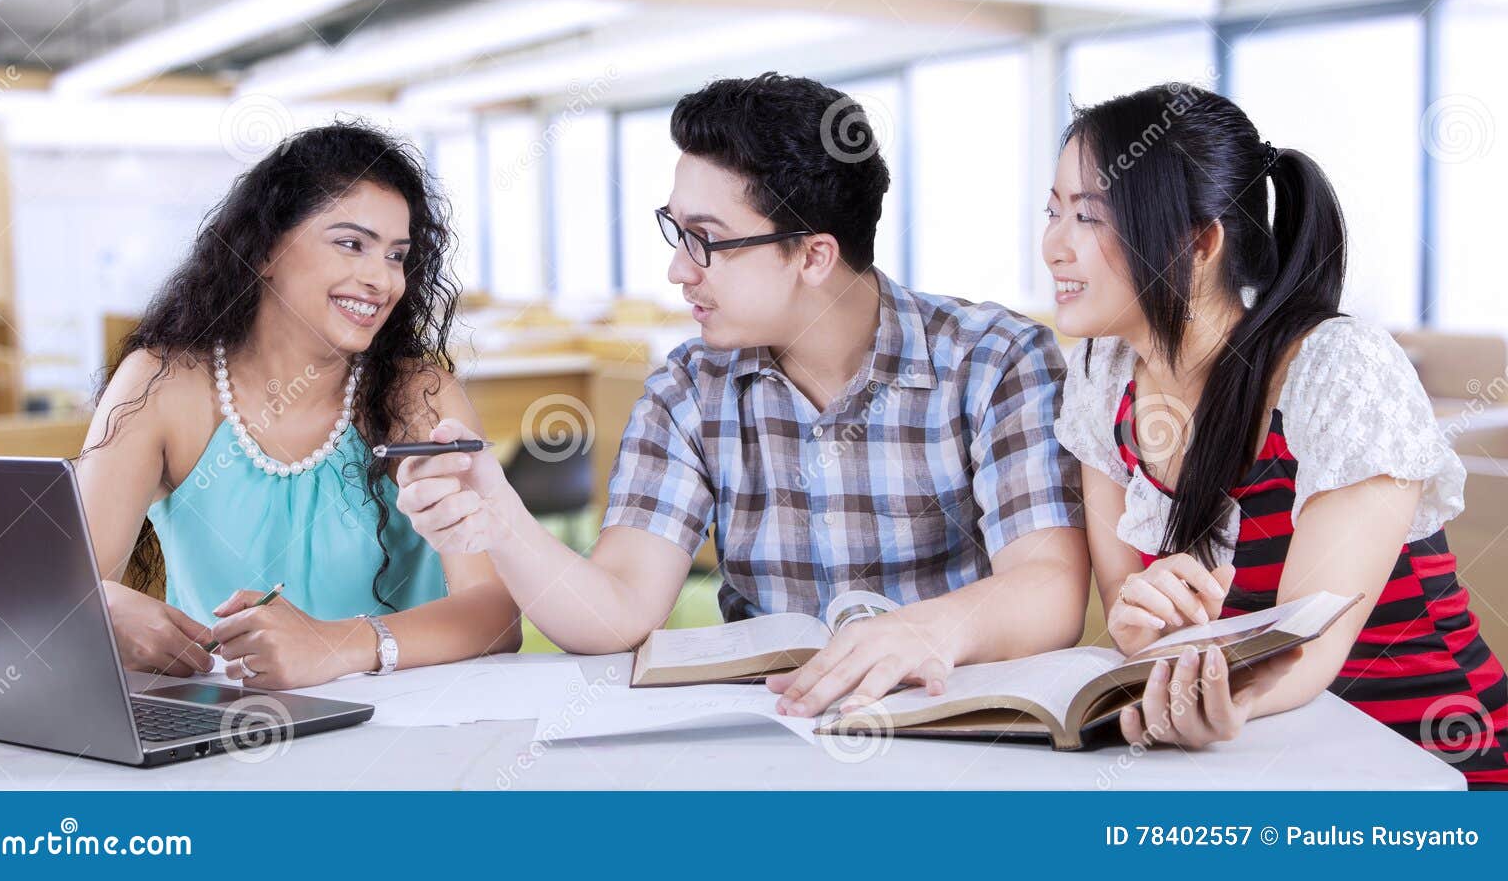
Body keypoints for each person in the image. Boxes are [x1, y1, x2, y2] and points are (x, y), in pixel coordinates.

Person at [396, 72, 1087, 717]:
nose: (676, 269)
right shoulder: (687, 390)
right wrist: (501, 514)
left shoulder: (994, 360)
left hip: (947, 722)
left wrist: (917, 633)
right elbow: (617, 611)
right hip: (772, 733)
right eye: (676, 231)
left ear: (813, 256)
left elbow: (1049, 586)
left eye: (706, 240)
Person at [1045, 82, 1507, 788]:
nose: (1053, 246)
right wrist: (1150, 638)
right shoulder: (1102, 380)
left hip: (1438, 763)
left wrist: (1218, 700)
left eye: (1088, 216)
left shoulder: (1338, 371)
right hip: (1261, 764)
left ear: (1199, 243)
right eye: (1052, 212)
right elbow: (1136, 615)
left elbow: (1307, 646)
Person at [77, 122, 520, 690]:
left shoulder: (418, 395)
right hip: (221, 732)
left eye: (396, 256)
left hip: (403, 726)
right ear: (264, 249)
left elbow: (496, 614)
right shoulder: (162, 384)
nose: (381, 279)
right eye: (350, 243)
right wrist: (104, 608)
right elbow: (67, 588)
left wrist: (335, 647)